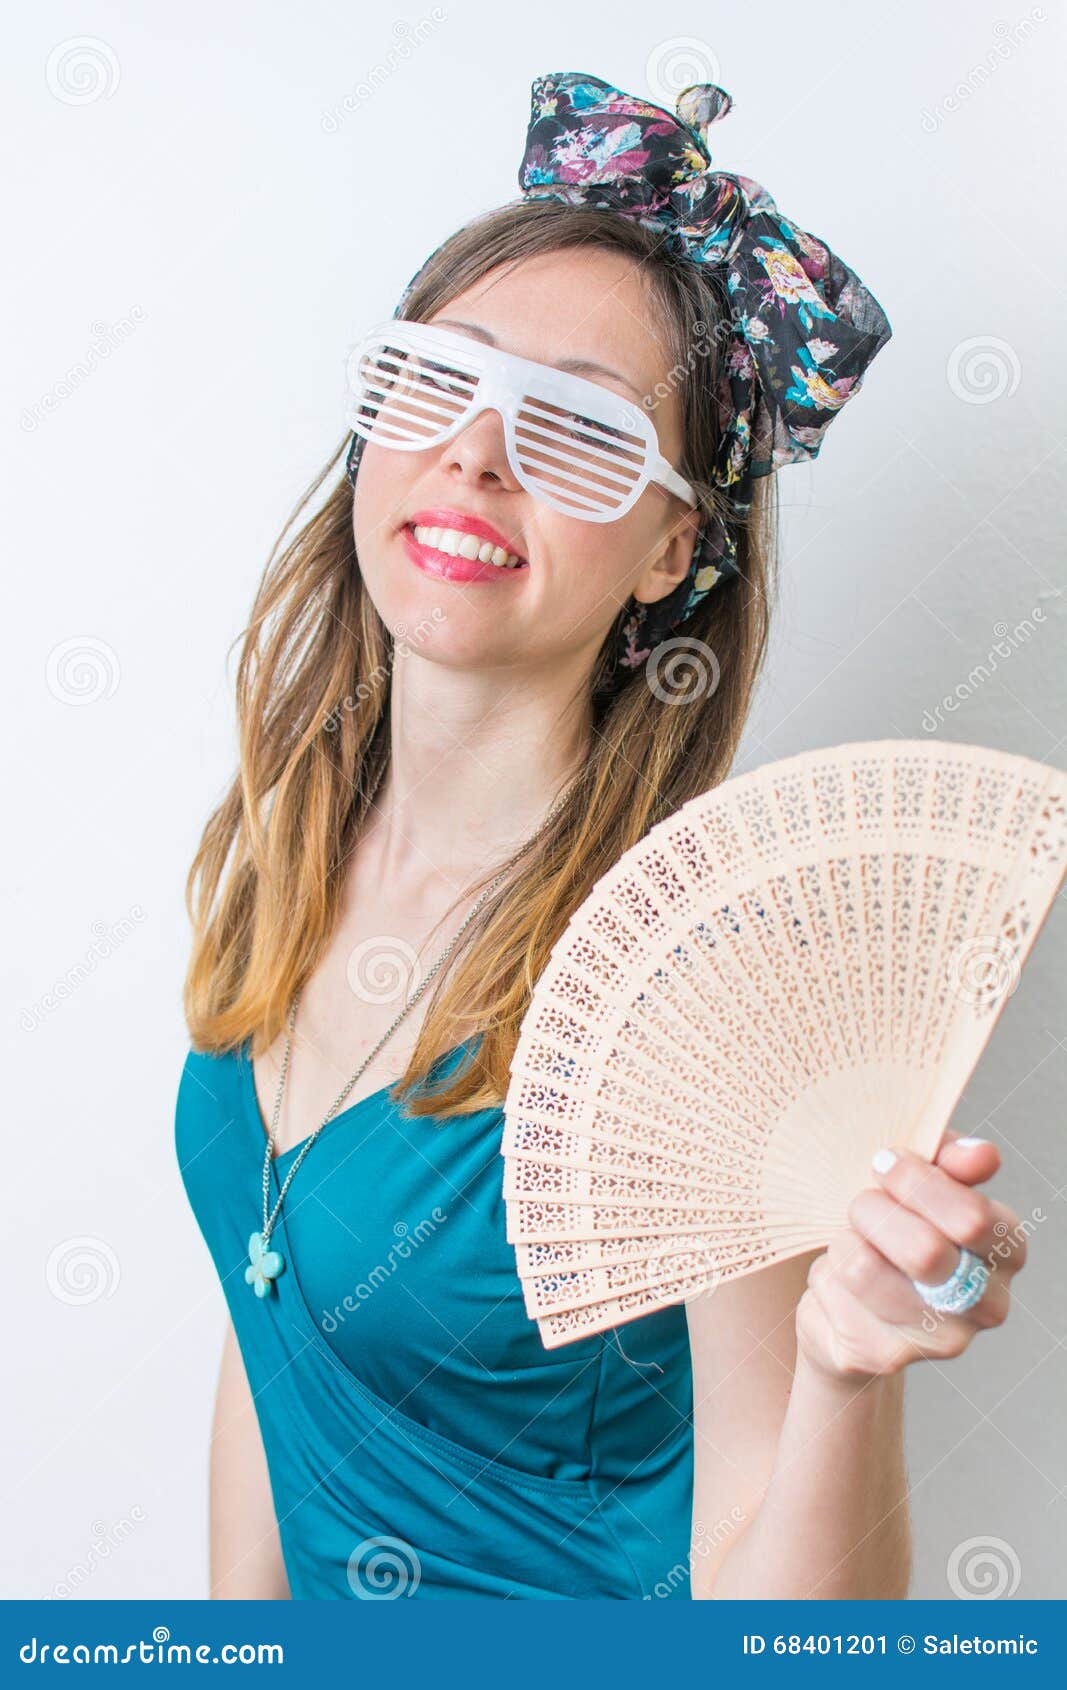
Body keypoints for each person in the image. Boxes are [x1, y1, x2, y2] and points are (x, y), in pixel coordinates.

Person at [174, 72, 1027, 1600]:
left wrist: (849, 1367)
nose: (477, 458)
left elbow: (789, 1614)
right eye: (442, 382)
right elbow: (269, 1341)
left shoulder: (697, 978)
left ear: (671, 551)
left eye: (574, 431)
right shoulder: (290, 841)